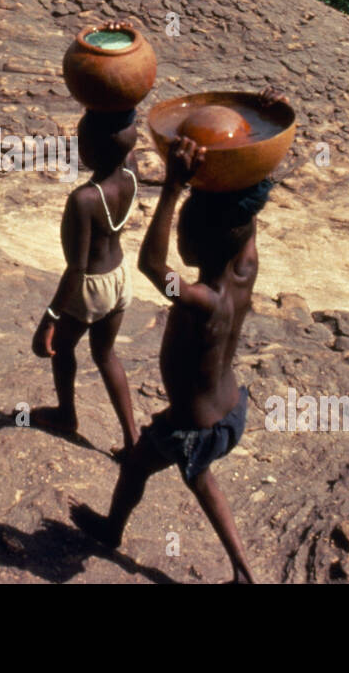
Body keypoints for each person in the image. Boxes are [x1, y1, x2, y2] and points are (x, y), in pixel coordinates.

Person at [71, 89, 285, 583]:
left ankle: (242, 571)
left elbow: (151, 265)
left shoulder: (199, 299)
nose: (180, 240)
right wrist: (259, 131)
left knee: (197, 480)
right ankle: (112, 528)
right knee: (139, 466)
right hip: (228, 409)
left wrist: (172, 189)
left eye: (184, 233)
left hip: (195, 427)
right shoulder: (245, 266)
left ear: (199, 244)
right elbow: (244, 209)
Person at [31, 109, 141, 460]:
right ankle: (133, 437)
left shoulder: (84, 199)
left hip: (90, 286)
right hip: (121, 278)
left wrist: (50, 316)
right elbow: (124, 132)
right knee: (105, 354)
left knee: (61, 349)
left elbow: (76, 268)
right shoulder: (131, 174)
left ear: (90, 151)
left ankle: (66, 415)